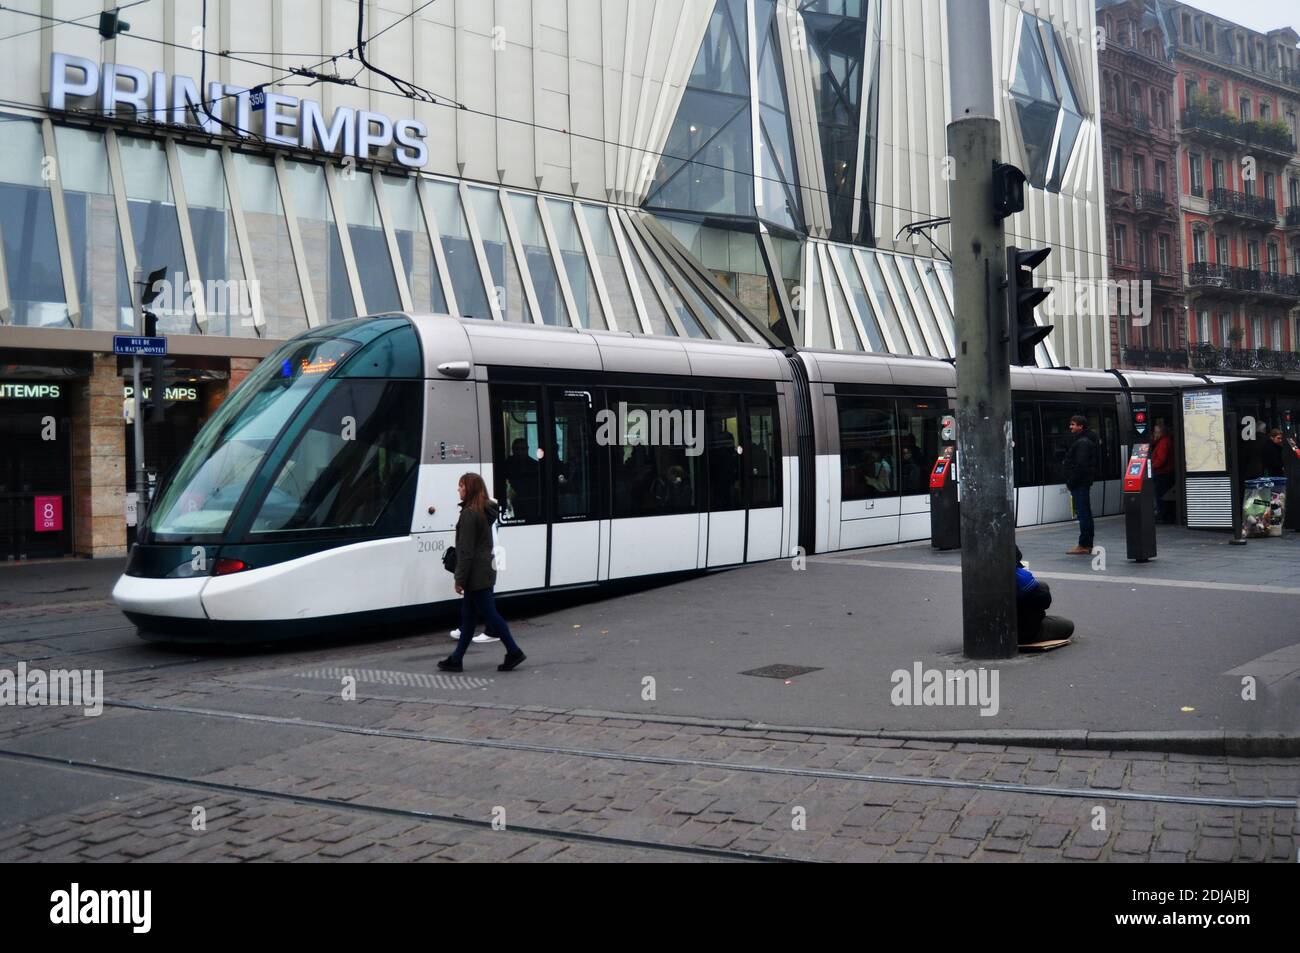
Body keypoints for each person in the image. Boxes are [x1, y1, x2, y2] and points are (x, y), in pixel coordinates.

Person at [439, 473, 525, 673]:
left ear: (469, 489)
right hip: (483, 571)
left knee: (490, 615)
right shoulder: (483, 511)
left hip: (476, 575)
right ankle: (456, 659)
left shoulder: (470, 513)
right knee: (468, 619)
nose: (458, 490)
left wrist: (458, 580)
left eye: (461, 486)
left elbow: (466, 551)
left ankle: (514, 651)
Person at [1015, 547, 1074, 644]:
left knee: (1039, 587)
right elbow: (1043, 599)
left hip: (985, 629)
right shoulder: (1019, 577)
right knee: (1067, 625)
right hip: (1021, 632)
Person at [1063, 414, 1098, 555]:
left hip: (1080, 484)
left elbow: (1081, 465)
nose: (1070, 427)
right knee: (1085, 513)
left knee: (1083, 514)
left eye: (1073, 424)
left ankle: (1084, 544)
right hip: (1081, 483)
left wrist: (1071, 482)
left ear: (1080, 426)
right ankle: (1086, 543)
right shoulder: (1084, 440)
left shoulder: (1082, 443)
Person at [501, 438, 540, 522]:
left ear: (527, 449)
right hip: (512, 503)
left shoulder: (535, 465)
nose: (520, 452)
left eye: (523, 449)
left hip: (530, 504)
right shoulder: (506, 464)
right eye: (517, 449)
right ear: (513, 450)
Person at [1150, 422, 1175, 523]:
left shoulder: (1163, 443)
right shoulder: (1163, 441)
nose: (1154, 434)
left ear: (1161, 433)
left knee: (1160, 496)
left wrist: (1151, 466)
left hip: (1162, 473)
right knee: (1163, 495)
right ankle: (1164, 515)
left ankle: (1162, 516)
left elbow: (1161, 459)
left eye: (1156, 432)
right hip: (1165, 473)